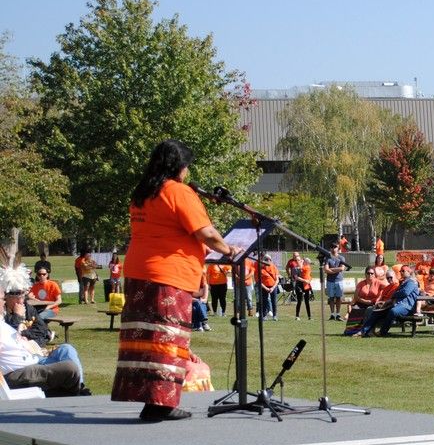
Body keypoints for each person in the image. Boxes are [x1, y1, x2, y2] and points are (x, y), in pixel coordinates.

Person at [111, 139, 240, 421]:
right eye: (186, 166)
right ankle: (161, 404)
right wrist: (230, 250)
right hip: (168, 276)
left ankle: (149, 401)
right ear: (179, 167)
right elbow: (206, 233)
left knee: (145, 337)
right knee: (167, 339)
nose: (187, 172)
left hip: (139, 272)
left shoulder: (142, 193)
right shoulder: (177, 192)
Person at [2, 265, 88, 395]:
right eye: (15, 294)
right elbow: (11, 336)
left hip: (36, 354)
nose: (20, 298)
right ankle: (76, 391)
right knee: (68, 368)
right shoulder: (6, 316)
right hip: (23, 366)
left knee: (67, 349)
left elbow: (42, 330)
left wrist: (29, 337)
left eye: (22, 293)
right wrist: (18, 318)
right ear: (7, 296)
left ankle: (80, 386)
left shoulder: (28, 308)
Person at [358, 264, 419, 337]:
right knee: (377, 311)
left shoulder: (412, 282)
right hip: (397, 305)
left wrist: (394, 295)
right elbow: (397, 293)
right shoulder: (403, 282)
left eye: (403, 271)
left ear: (409, 271)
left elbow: (405, 292)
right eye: (400, 271)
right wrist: (384, 302)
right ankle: (364, 331)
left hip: (407, 307)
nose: (401, 272)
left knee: (393, 311)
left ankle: (382, 332)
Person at [323, 244, 349, 320]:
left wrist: (331, 270)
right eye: (332, 247)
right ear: (330, 248)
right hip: (330, 281)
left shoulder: (341, 258)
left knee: (338, 298)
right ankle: (332, 314)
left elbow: (342, 269)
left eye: (335, 247)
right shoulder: (327, 258)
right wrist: (336, 269)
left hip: (339, 280)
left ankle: (337, 314)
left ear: (338, 248)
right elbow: (326, 269)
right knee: (331, 298)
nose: (333, 249)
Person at [256, 256, 280, 320]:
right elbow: (258, 281)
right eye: (266, 259)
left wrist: (273, 288)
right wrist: (266, 288)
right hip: (264, 287)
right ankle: (264, 315)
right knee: (264, 301)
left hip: (273, 286)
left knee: (274, 301)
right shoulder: (260, 269)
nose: (268, 261)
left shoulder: (274, 267)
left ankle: (274, 315)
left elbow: (277, 280)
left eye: (269, 259)